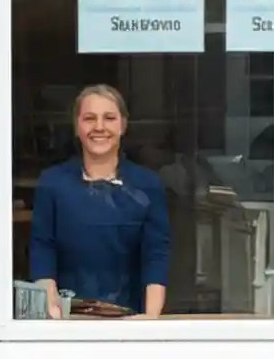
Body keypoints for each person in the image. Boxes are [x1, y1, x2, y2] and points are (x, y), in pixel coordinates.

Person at [28, 84, 170, 319]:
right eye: (89, 118)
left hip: (129, 317)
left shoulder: (147, 185)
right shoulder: (52, 182)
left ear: (123, 125)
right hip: (68, 317)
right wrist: (51, 309)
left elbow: (156, 253)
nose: (99, 127)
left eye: (110, 118)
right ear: (77, 126)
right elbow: (43, 247)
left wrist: (150, 318)